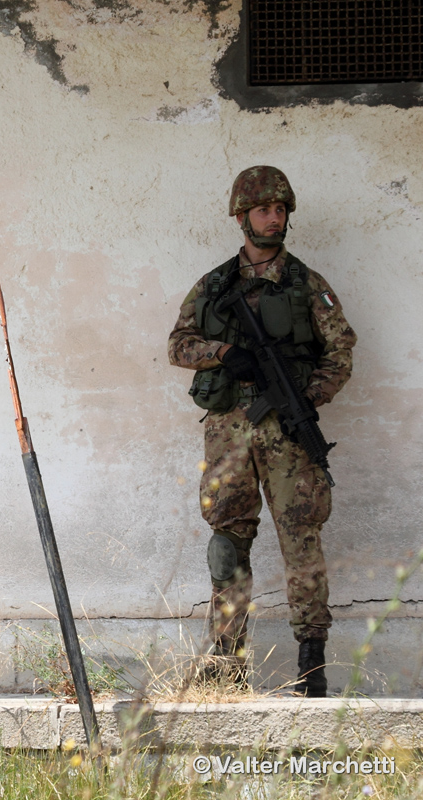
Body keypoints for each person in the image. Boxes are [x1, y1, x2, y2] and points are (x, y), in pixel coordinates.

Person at [168, 166, 356, 697]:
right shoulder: (214, 285)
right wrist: (225, 352)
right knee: (227, 542)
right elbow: (179, 345)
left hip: (288, 434)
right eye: (265, 209)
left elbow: (340, 354)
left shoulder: (306, 284)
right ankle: (226, 664)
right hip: (228, 432)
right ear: (242, 216)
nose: (275, 217)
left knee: (302, 540)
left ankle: (312, 665)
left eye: (281, 209)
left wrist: (305, 396)